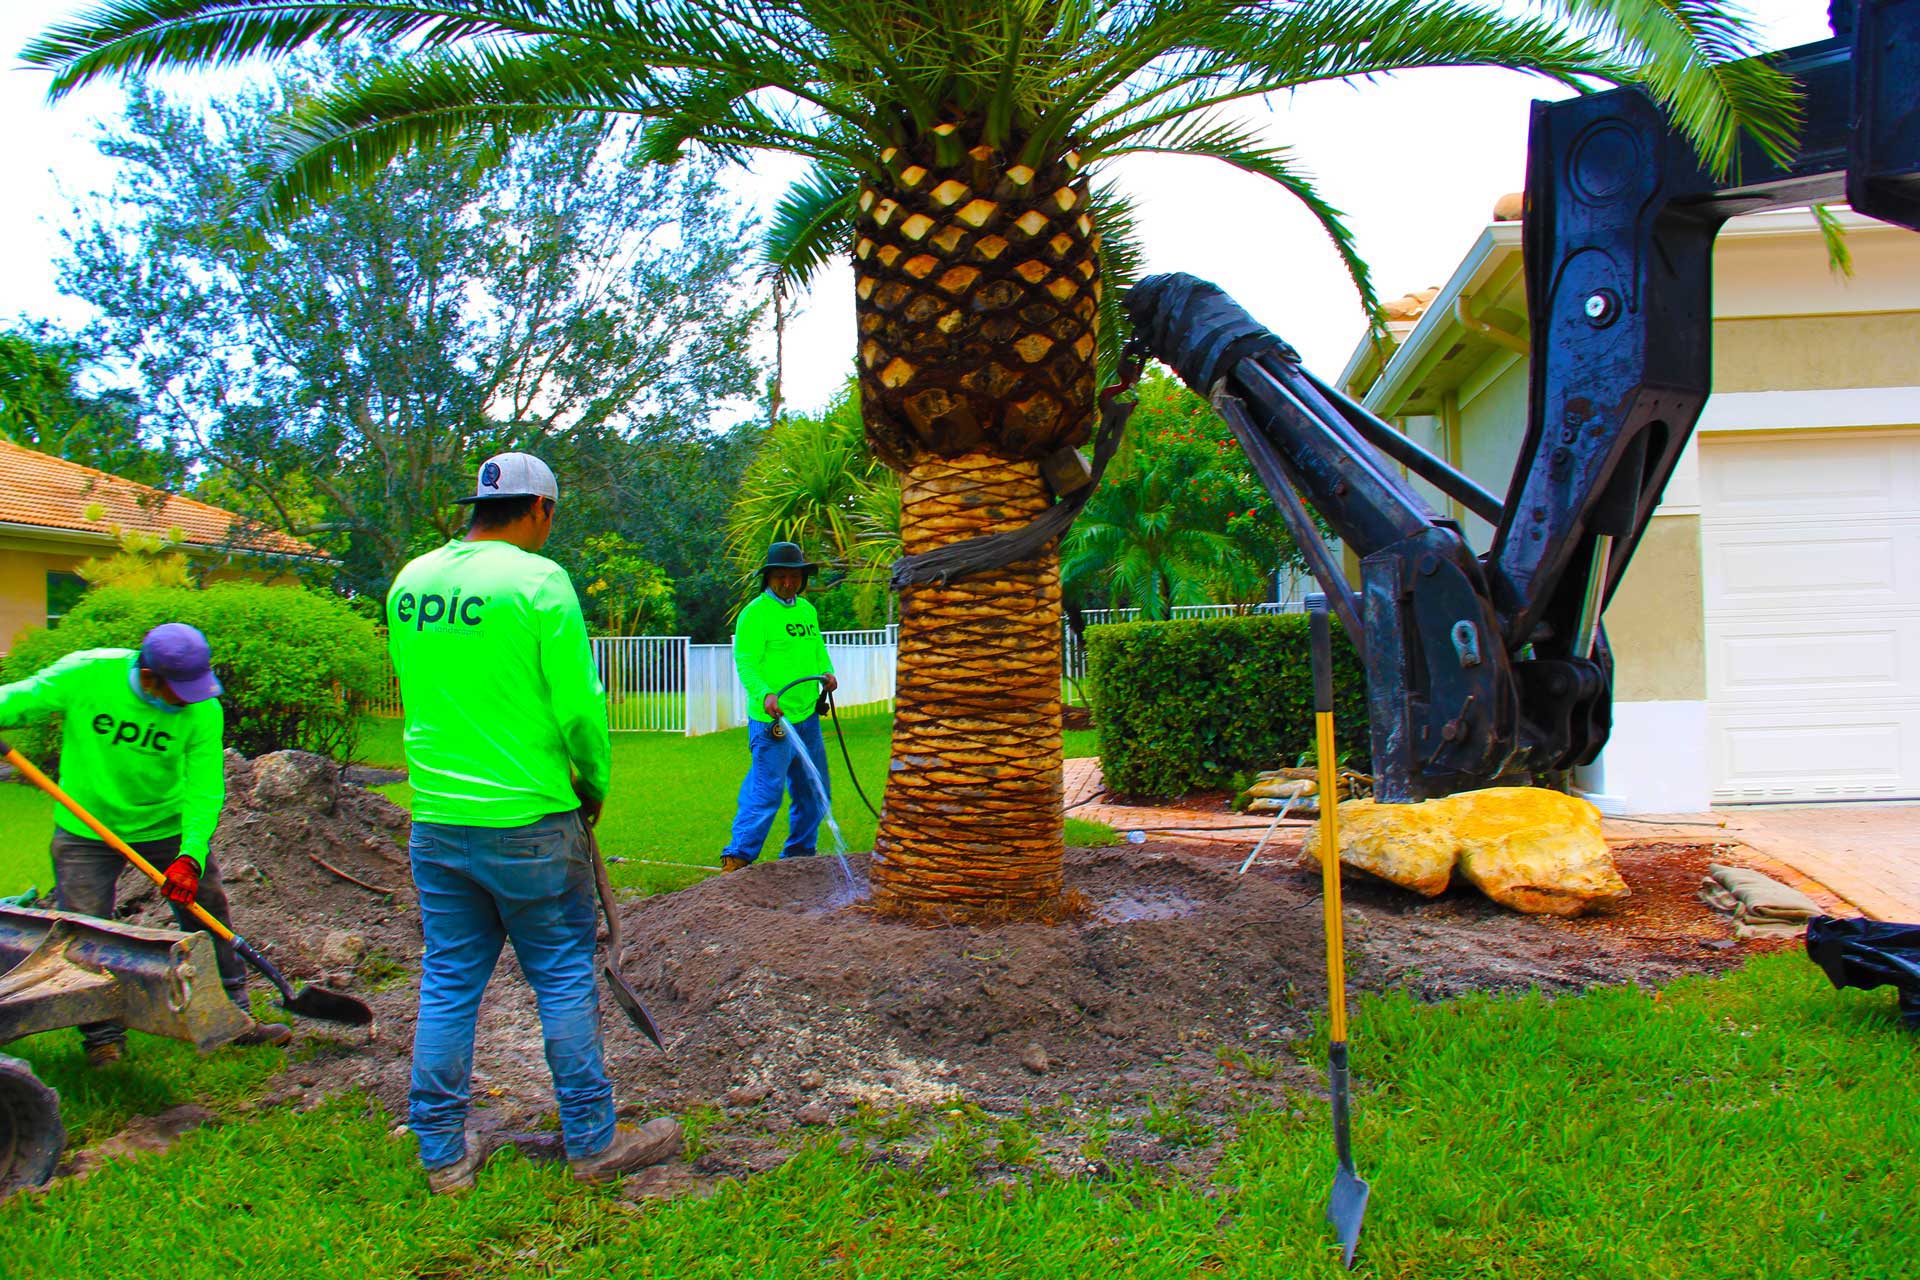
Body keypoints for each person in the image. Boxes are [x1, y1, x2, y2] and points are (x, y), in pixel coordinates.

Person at [387, 450, 681, 1195]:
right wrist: (593, 785)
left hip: (438, 819)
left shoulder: (412, 581)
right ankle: (592, 1139)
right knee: (559, 978)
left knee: (450, 981)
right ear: (540, 510)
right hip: (530, 821)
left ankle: (440, 1151)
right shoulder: (538, 582)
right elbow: (580, 707)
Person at [0, 624, 291, 1064]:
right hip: (86, 831)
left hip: (165, 826)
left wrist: (190, 856)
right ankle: (103, 1039)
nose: (190, 699)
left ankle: (233, 1018)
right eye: (181, 690)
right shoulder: (88, 673)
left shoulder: (202, 711)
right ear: (150, 676)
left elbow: (204, 789)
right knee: (85, 930)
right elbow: (21, 699)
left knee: (206, 913)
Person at [720, 541, 839, 873]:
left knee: (815, 791)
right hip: (772, 720)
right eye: (780, 577)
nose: (788, 583)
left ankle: (799, 856)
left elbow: (816, 649)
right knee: (765, 791)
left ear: (801, 579)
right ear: (768, 577)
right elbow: (746, 662)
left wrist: (827, 674)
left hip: (806, 717)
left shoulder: (806, 611)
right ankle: (738, 857)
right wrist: (765, 694)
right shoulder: (755, 614)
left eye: (793, 577)